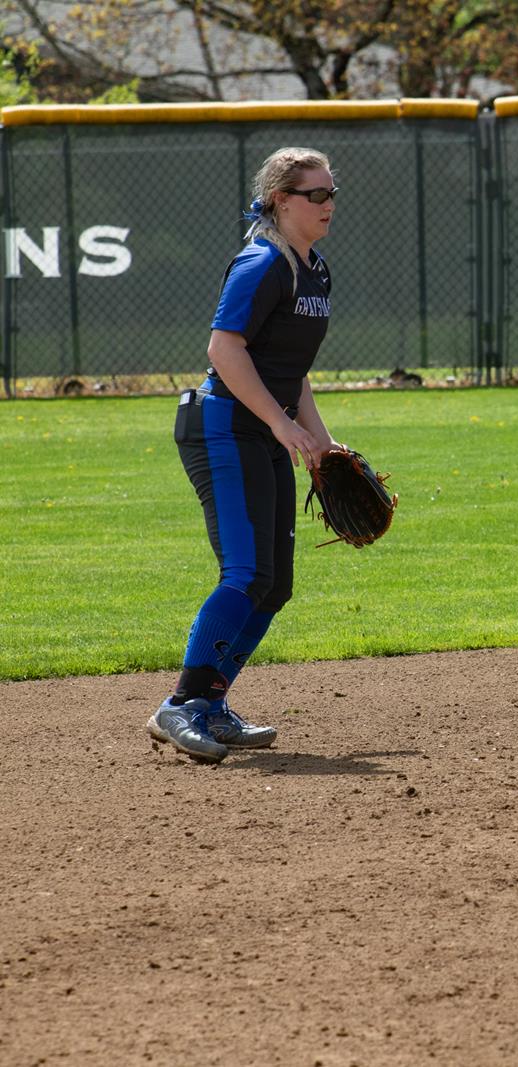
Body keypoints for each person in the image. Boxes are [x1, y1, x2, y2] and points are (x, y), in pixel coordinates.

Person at [147, 147, 340, 764]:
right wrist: (282, 427)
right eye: (315, 194)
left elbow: (291, 369)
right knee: (247, 573)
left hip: (262, 429)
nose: (328, 204)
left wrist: (319, 440)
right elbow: (224, 350)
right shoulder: (262, 263)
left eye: (332, 193)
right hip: (223, 427)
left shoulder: (314, 270)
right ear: (281, 199)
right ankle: (180, 706)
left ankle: (211, 703)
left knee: (274, 584)